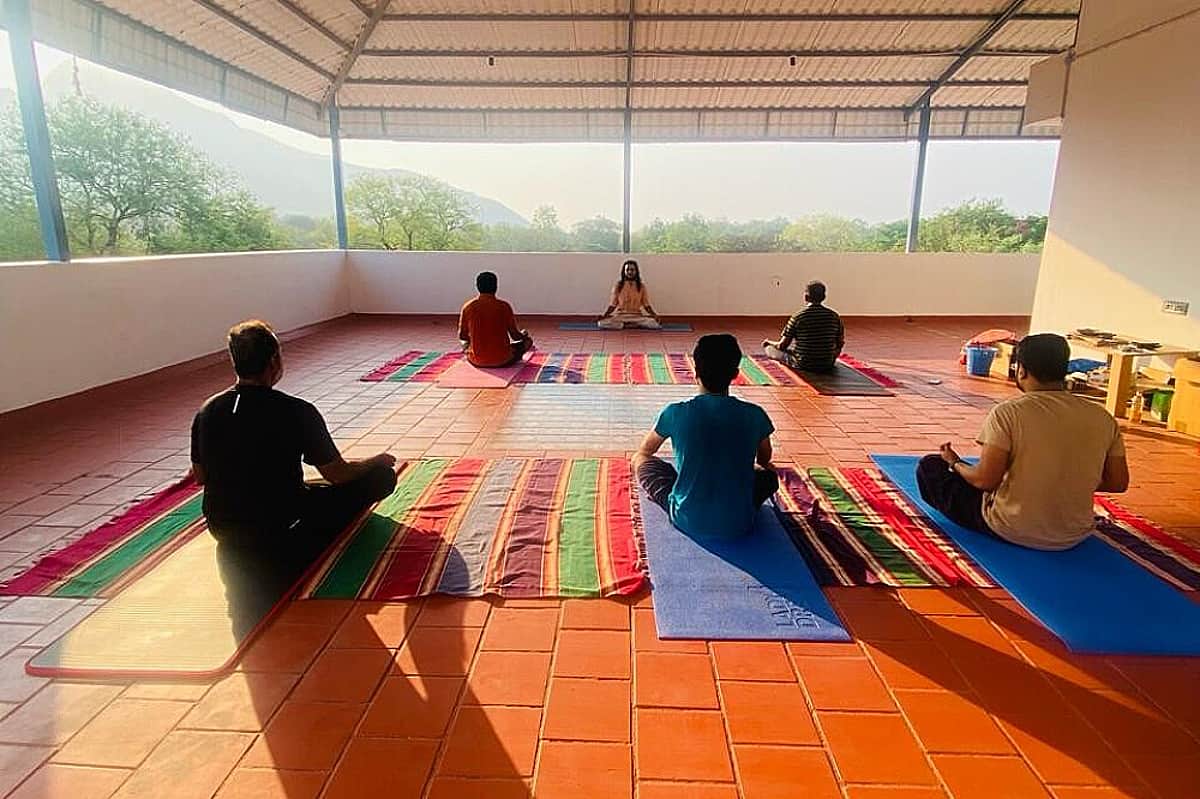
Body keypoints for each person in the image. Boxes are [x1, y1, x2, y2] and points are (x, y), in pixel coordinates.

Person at [191, 320, 398, 557]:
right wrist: (376, 460)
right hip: (283, 525)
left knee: (305, 488)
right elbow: (339, 475)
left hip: (222, 527)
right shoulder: (297, 411)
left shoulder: (207, 410)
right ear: (273, 361)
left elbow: (200, 477)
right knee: (382, 477)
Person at [916, 333, 1129, 551]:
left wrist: (955, 462)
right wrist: (1070, 479)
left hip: (1011, 528)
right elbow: (1117, 483)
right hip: (1073, 533)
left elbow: (985, 481)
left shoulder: (1008, 413)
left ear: (1021, 370)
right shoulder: (1102, 417)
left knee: (931, 467)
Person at [633, 334, 779, 538]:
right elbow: (765, 460)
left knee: (640, 460)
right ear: (735, 373)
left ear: (695, 372)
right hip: (740, 522)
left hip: (686, 518)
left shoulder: (675, 412)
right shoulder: (755, 414)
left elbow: (646, 450)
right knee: (770, 475)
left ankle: (679, 496)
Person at [763, 280, 844, 372]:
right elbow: (840, 343)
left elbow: (782, 346)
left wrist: (769, 343)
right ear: (824, 297)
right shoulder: (834, 316)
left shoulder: (798, 316)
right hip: (827, 364)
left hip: (803, 363)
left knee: (770, 349)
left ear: (806, 297)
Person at [459, 271, 534, 367]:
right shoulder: (504, 306)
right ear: (496, 286)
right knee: (528, 342)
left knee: (464, 343)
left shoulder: (468, 306)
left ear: (477, 286)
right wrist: (524, 335)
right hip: (503, 359)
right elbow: (515, 336)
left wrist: (476, 341)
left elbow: (462, 336)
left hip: (477, 360)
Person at [599, 259, 661, 330]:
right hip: (621, 316)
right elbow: (613, 305)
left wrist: (654, 315)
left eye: (632, 270)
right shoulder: (618, 286)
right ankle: (632, 326)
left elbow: (646, 305)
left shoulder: (641, 286)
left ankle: (626, 325)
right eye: (627, 270)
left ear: (636, 271)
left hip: (637, 317)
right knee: (601, 323)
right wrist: (605, 315)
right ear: (624, 271)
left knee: (654, 324)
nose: (630, 272)